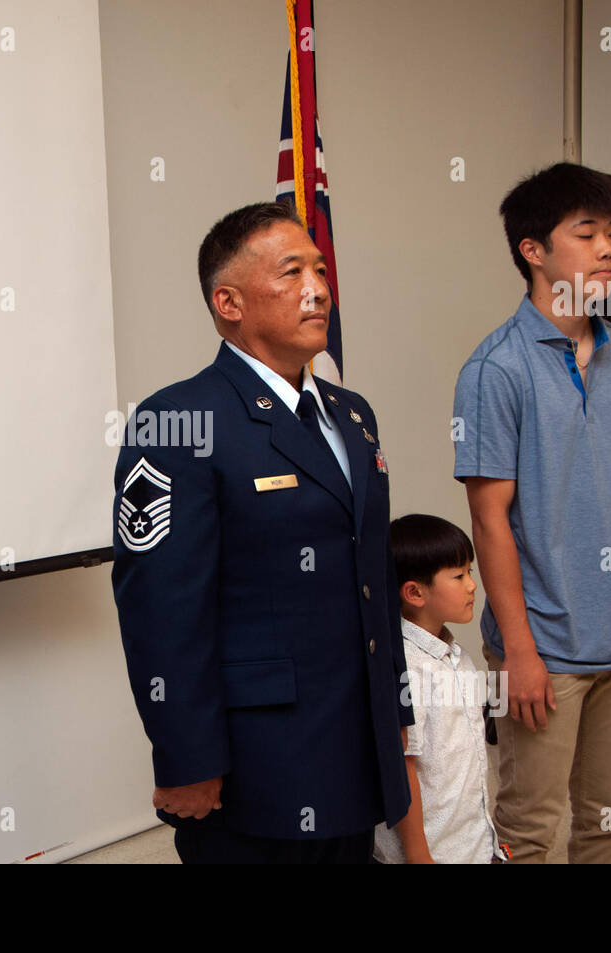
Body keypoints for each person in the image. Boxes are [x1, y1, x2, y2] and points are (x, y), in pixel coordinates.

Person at [111, 201, 411, 864]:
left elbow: (373, 581)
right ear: (229, 302)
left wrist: (397, 711)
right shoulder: (179, 420)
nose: (318, 289)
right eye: (291, 272)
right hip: (256, 765)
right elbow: (162, 609)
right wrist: (185, 754)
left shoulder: (351, 413)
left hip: (355, 748)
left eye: (321, 269)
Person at [452, 162, 611, 863]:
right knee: (530, 827)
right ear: (532, 250)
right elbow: (490, 520)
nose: (606, 249)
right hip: (545, 646)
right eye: (585, 232)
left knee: (608, 821)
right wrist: (522, 651)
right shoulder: (494, 372)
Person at [372, 514, 502, 864]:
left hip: (471, 845)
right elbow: (403, 768)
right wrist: (419, 856)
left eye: (470, 572)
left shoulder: (456, 655)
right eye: (459, 576)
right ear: (414, 592)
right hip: (432, 854)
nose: (472, 585)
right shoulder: (408, 669)